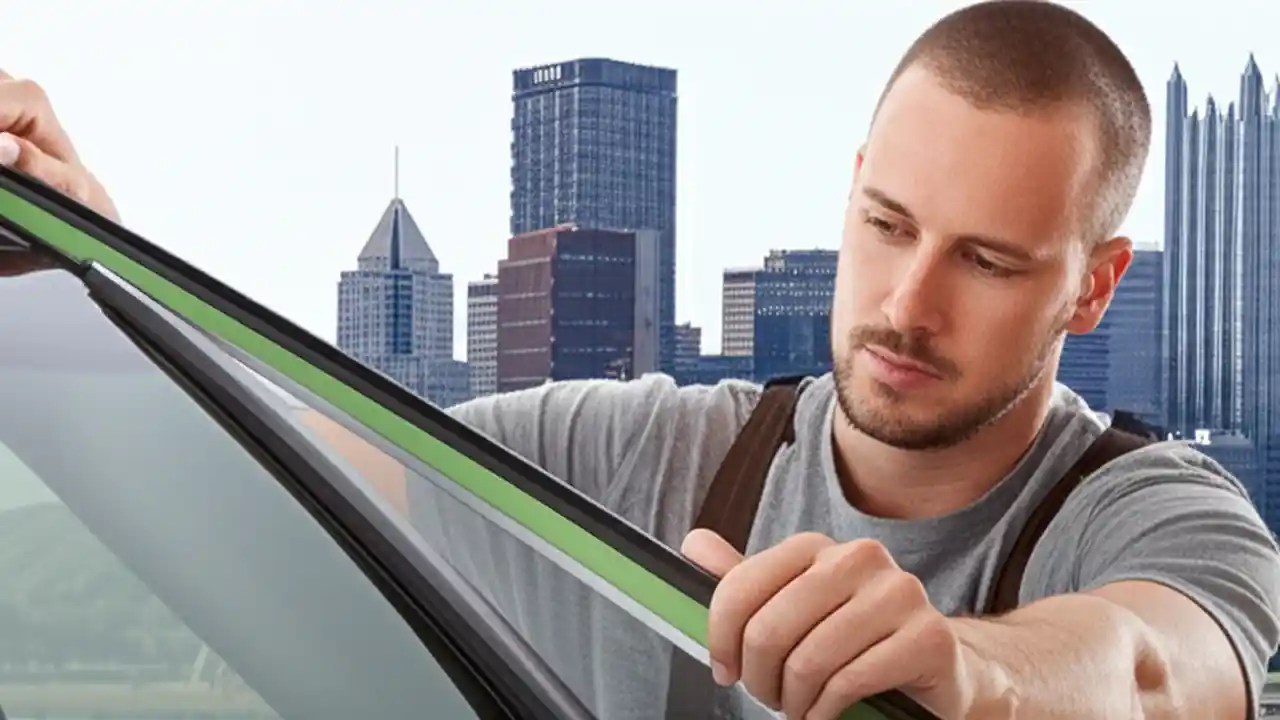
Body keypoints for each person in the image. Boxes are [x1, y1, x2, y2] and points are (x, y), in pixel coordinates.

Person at [4, 1, 1279, 717]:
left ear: (1093, 286)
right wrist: (95, 249)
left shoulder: (1161, 515)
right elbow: (296, 451)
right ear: (848, 191)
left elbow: (1153, 670)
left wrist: (969, 670)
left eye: (987, 262)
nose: (905, 301)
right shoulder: (633, 450)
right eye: (884, 225)